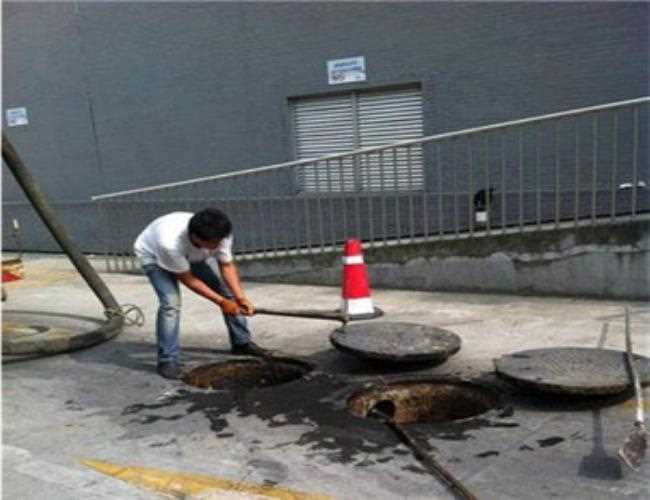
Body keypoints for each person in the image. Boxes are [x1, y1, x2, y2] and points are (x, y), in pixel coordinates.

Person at [134, 208, 268, 379]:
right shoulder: (169, 243)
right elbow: (188, 279)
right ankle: (167, 360)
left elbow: (226, 265)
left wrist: (240, 298)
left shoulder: (221, 234)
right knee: (171, 304)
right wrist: (221, 302)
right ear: (196, 238)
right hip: (153, 256)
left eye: (221, 241)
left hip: (192, 256)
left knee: (228, 292)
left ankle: (242, 343)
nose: (220, 245)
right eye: (215, 243)